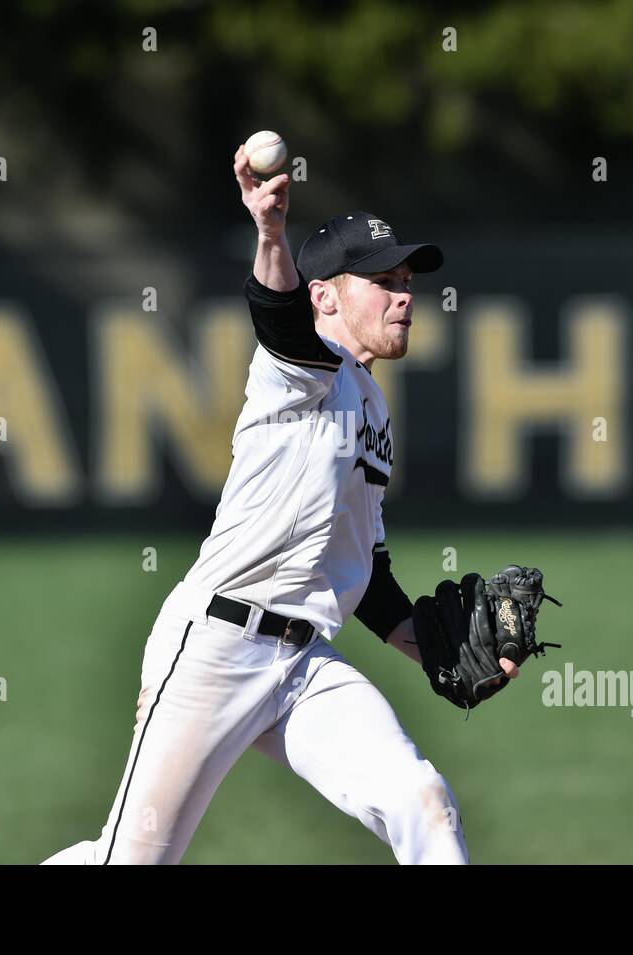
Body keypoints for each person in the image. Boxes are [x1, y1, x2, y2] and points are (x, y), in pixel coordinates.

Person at [42, 144, 517, 865]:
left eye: (407, 279)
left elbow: (363, 564)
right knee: (130, 861)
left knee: (421, 796)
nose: (405, 294)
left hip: (302, 668)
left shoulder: (370, 401)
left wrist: (431, 648)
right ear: (326, 293)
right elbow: (277, 314)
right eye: (383, 279)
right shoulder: (294, 371)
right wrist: (270, 234)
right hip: (214, 647)